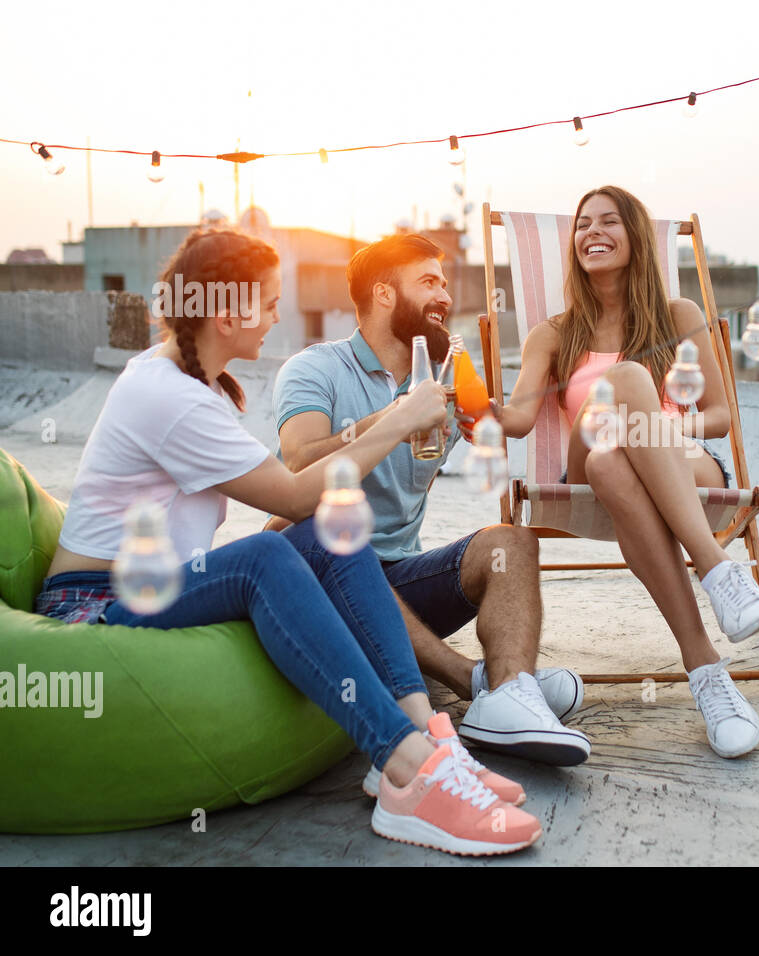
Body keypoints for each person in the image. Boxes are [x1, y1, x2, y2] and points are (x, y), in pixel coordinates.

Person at [34, 226, 541, 856]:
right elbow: (297, 490)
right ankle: (406, 767)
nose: (279, 313)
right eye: (270, 301)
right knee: (269, 551)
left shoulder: (197, 386)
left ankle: (424, 741)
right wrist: (402, 417)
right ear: (226, 312)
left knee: (329, 529)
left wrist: (405, 413)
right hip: (94, 602)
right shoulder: (168, 395)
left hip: (155, 582)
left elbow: (310, 503)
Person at [485, 185, 759, 759]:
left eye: (609, 222)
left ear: (636, 237)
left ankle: (707, 674)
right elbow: (520, 417)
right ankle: (720, 573)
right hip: (583, 458)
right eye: (583, 225)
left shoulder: (679, 315)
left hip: (674, 462)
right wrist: (486, 410)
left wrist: (666, 433)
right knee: (620, 392)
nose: (592, 232)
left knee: (613, 463)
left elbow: (719, 416)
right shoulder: (553, 332)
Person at [272, 233, 589, 767]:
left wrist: (568, 370)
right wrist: (395, 419)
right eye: (427, 282)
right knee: (343, 548)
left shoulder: (447, 378)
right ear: (384, 294)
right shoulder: (315, 369)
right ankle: (477, 681)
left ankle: (508, 694)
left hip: (402, 584)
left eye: (443, 283)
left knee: (510, 543)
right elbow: (301, 461)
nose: (443, 294)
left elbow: (506, 425)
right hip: (323, 578)